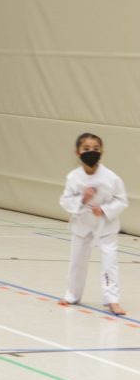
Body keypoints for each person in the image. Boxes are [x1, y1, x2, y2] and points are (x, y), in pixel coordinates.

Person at [58, 133, 127, 315]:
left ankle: (112, 300)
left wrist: (104, 209)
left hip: (105, 223)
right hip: (83, 221)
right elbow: (65, 201)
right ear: (78, 152)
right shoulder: (73, 177)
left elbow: (122, 200)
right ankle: (72, 295)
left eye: (96, 148)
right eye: (86, 148)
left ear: (101, 151)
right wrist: (83, 199)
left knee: (109, 261)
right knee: (77, 260)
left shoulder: (111, 177)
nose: (91, 152)